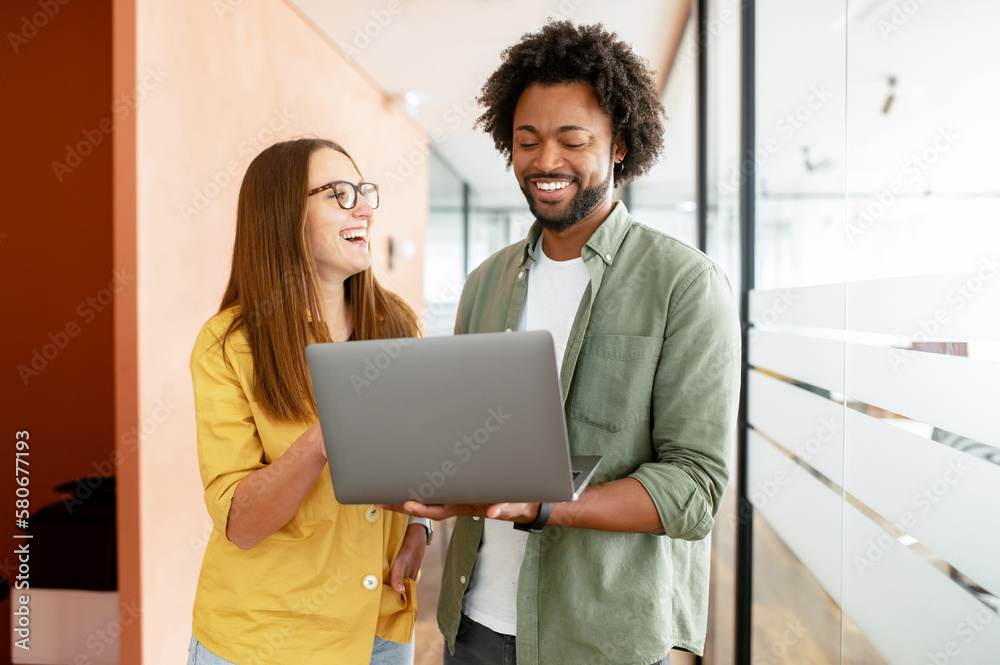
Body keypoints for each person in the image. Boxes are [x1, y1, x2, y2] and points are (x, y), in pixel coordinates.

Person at [386, 22, 741, 665]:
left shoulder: (684, 283)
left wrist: (547, 506)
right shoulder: (485, 283)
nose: (546, 161)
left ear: (621, 146)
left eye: (571, 140)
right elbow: (474, 441)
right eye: (527, 142)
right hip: (473, 626)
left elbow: (695, 490)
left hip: (603, 638)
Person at [188, 138, 432, 665]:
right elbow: (241, 522)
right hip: (267, 638)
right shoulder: (229, 343)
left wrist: (420, 528)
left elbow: (425, 453)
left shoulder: (396, 324)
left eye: (364, 191)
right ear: (281, 215)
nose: (364, 207)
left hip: (381, 628)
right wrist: (327, 437)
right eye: (339, 194)